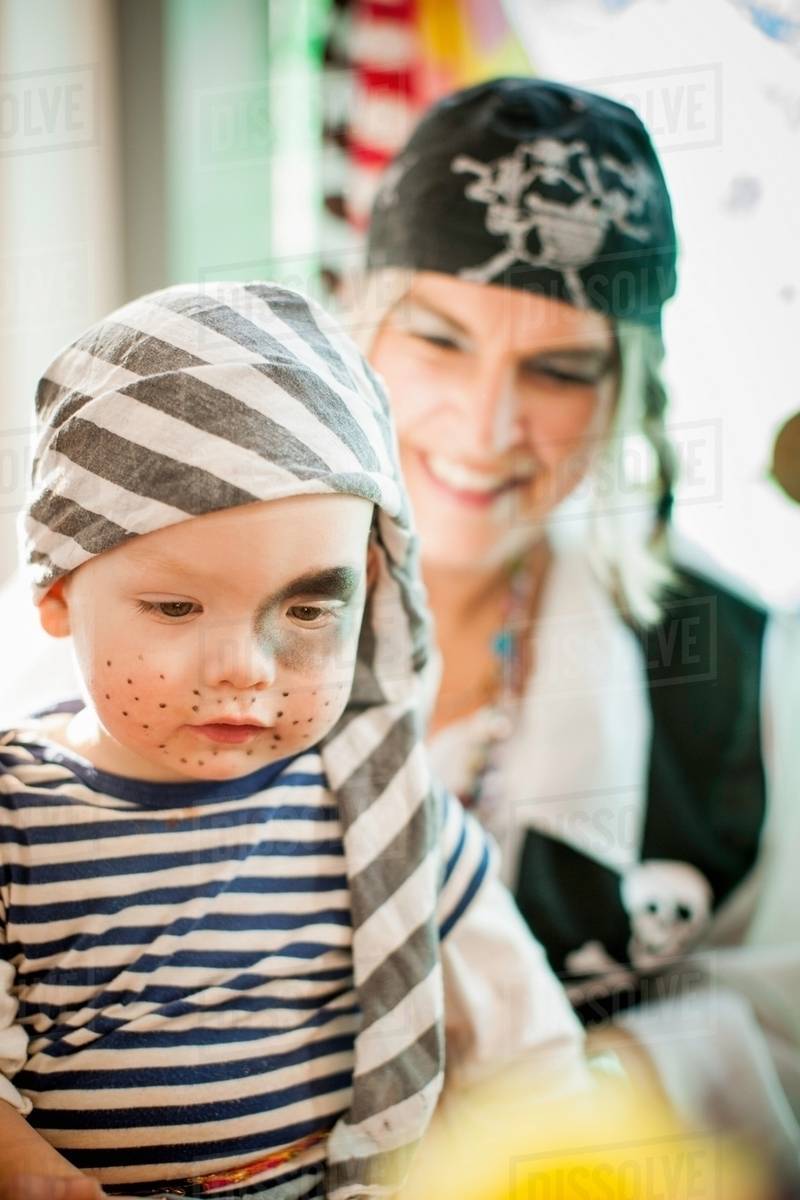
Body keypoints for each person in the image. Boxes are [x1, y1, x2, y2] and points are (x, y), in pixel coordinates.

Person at [0, 282, 591, 1200]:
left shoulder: (386, 810)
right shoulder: (15, 825)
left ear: (372, 586)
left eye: (310, 610)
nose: (246, 667)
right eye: (176, 607)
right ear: (56, 589)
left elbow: (535, 1064)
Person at [346, 77, 800, 1167]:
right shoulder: (170, 606)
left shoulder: (742, 671)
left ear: (625, 392)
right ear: (359, 329)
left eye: (556, 369)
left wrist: (588, 1089)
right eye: (440, 342)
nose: (486, 425)